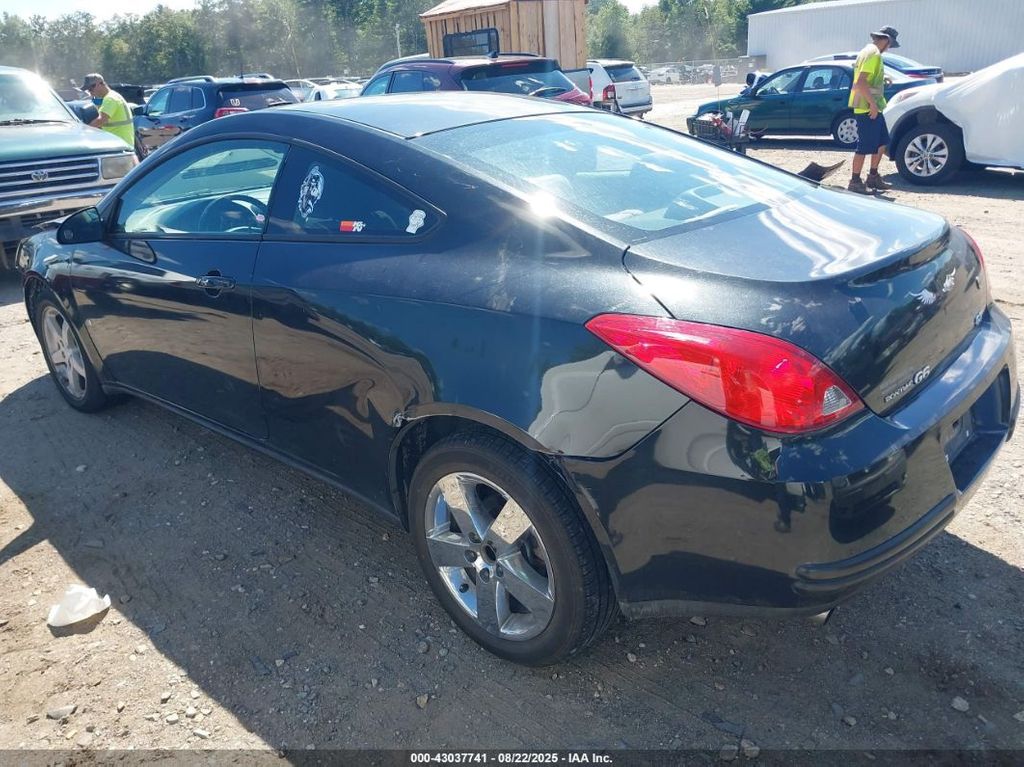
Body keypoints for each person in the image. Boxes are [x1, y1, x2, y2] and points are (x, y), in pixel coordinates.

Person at [847, 26, 900, 194]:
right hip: (867, 108)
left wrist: (881, 79)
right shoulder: (874, 54)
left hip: (870, 106)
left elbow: (865, 78)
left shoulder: (867, 51)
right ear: (885, 40)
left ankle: (873, 176)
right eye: (890, 44)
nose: (889, 48)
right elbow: (860, 82)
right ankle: (855, 181)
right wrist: (873, 105)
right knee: (864, 146)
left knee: (882, 141)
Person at [81, 73, 135, 150]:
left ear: (99, 84)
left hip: (121, 146)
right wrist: (97, 101)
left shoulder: (110, 99)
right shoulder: (111, 96)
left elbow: (101, 120)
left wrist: (84, 130)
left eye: (90, 89)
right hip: (121, 145)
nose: (90, 92)